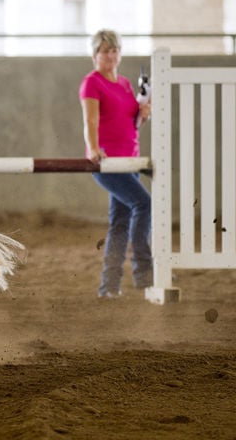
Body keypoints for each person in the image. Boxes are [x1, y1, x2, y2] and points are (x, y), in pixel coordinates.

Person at [79, 29, 153, 298]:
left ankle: (109, 286)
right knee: (144, 204)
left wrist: (143, 113)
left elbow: (131, 124)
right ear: (95, 55)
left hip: (129, 160)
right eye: (105, 51)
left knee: (120, 222)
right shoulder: (92, 83)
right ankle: (145, 271)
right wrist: (95, 149)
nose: (110, 55)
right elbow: (90, 120)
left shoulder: (123, 84)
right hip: (107, 162)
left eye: (114, 50)